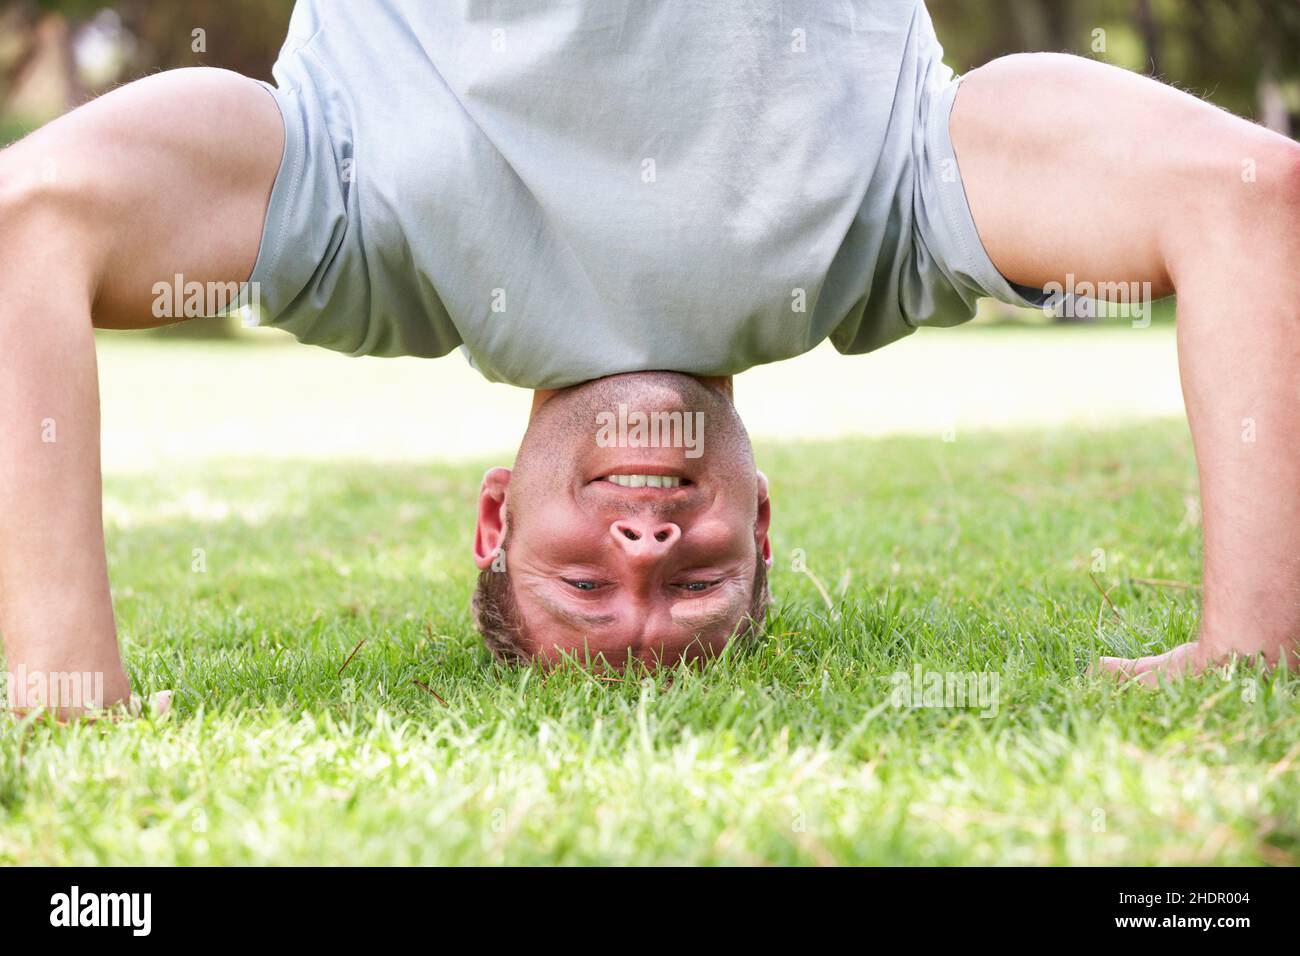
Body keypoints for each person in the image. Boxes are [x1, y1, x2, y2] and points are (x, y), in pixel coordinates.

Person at [2, 0, 1298, 713]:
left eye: (585, 594)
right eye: (695, 596)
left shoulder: (362, 236)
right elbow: (1243, 194)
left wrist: (66, 685)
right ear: (761, 524)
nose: (647, 560)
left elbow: (36, 219)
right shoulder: (888, 227)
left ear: (496, 522)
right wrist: (1254, 643)